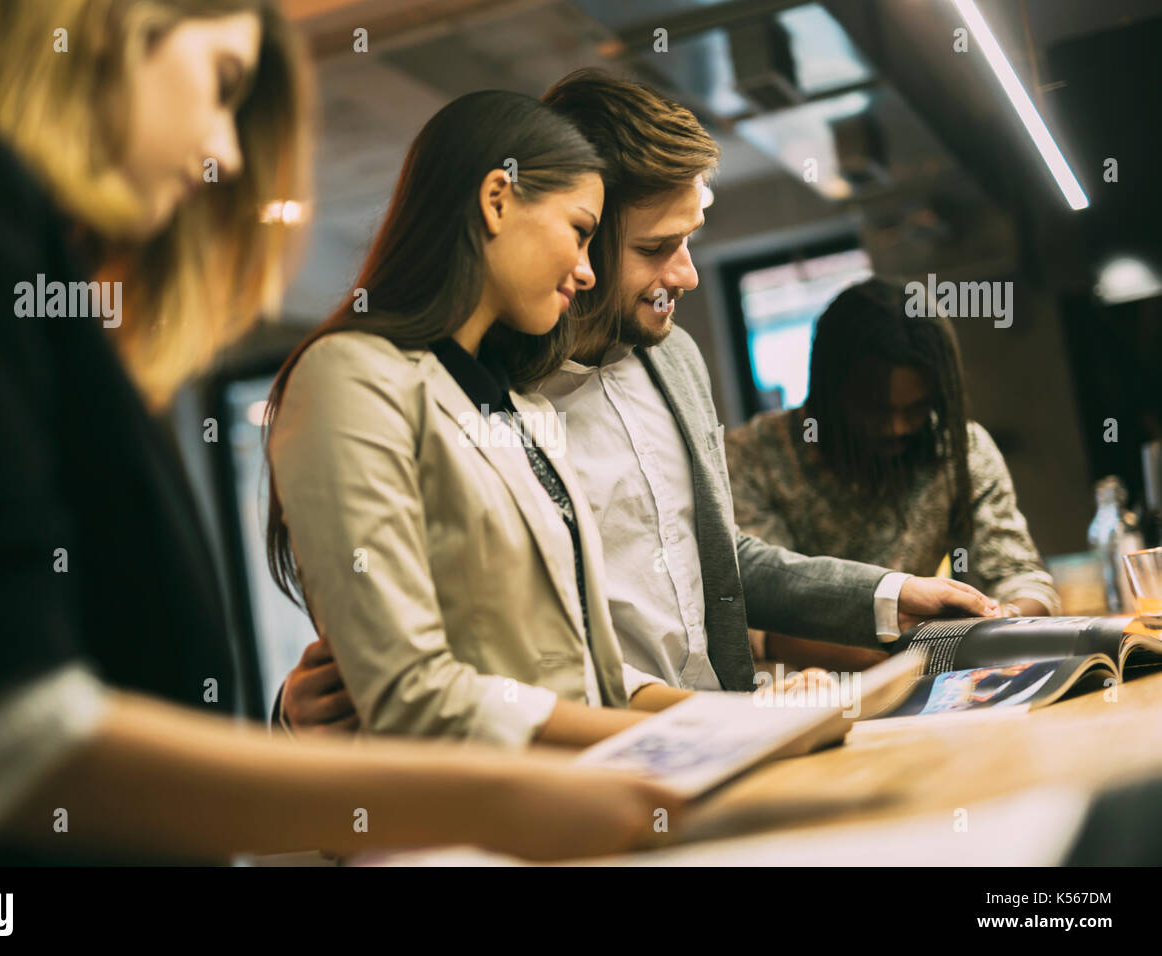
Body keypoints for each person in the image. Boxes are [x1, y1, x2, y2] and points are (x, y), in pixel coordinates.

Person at [0, 0, 679, 866]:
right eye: (221, 84)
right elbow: (9, 743)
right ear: (100, 25)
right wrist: (503, 794)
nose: (224, 153)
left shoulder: (53, 292)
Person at [277, 70, 998, 732]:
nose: (682, 274)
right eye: (651, 246)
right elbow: (441, 673)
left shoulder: (670, 361)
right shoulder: (467, 392)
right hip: (591, 775)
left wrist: (881, 599)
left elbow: (709, 559)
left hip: (674, 750)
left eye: (690, 240)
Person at [265, 88, 711, 752]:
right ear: (497, 199)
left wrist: (738, 721)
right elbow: (412, 693)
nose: (588, 271)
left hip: (573, 809)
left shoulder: (520, 406)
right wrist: (686, 736)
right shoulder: (349, 376)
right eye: (580, 232)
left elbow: (590, 673)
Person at [725, 278, 1060, 670]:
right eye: (875, 410)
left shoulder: (957, 449)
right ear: (830, 389)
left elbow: (1020, 576)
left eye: (916, 409)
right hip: (809, 695)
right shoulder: (753, 457)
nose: (897, 427)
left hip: (936, 680)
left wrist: (1006, 618)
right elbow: (763, 618)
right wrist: (918, 650)